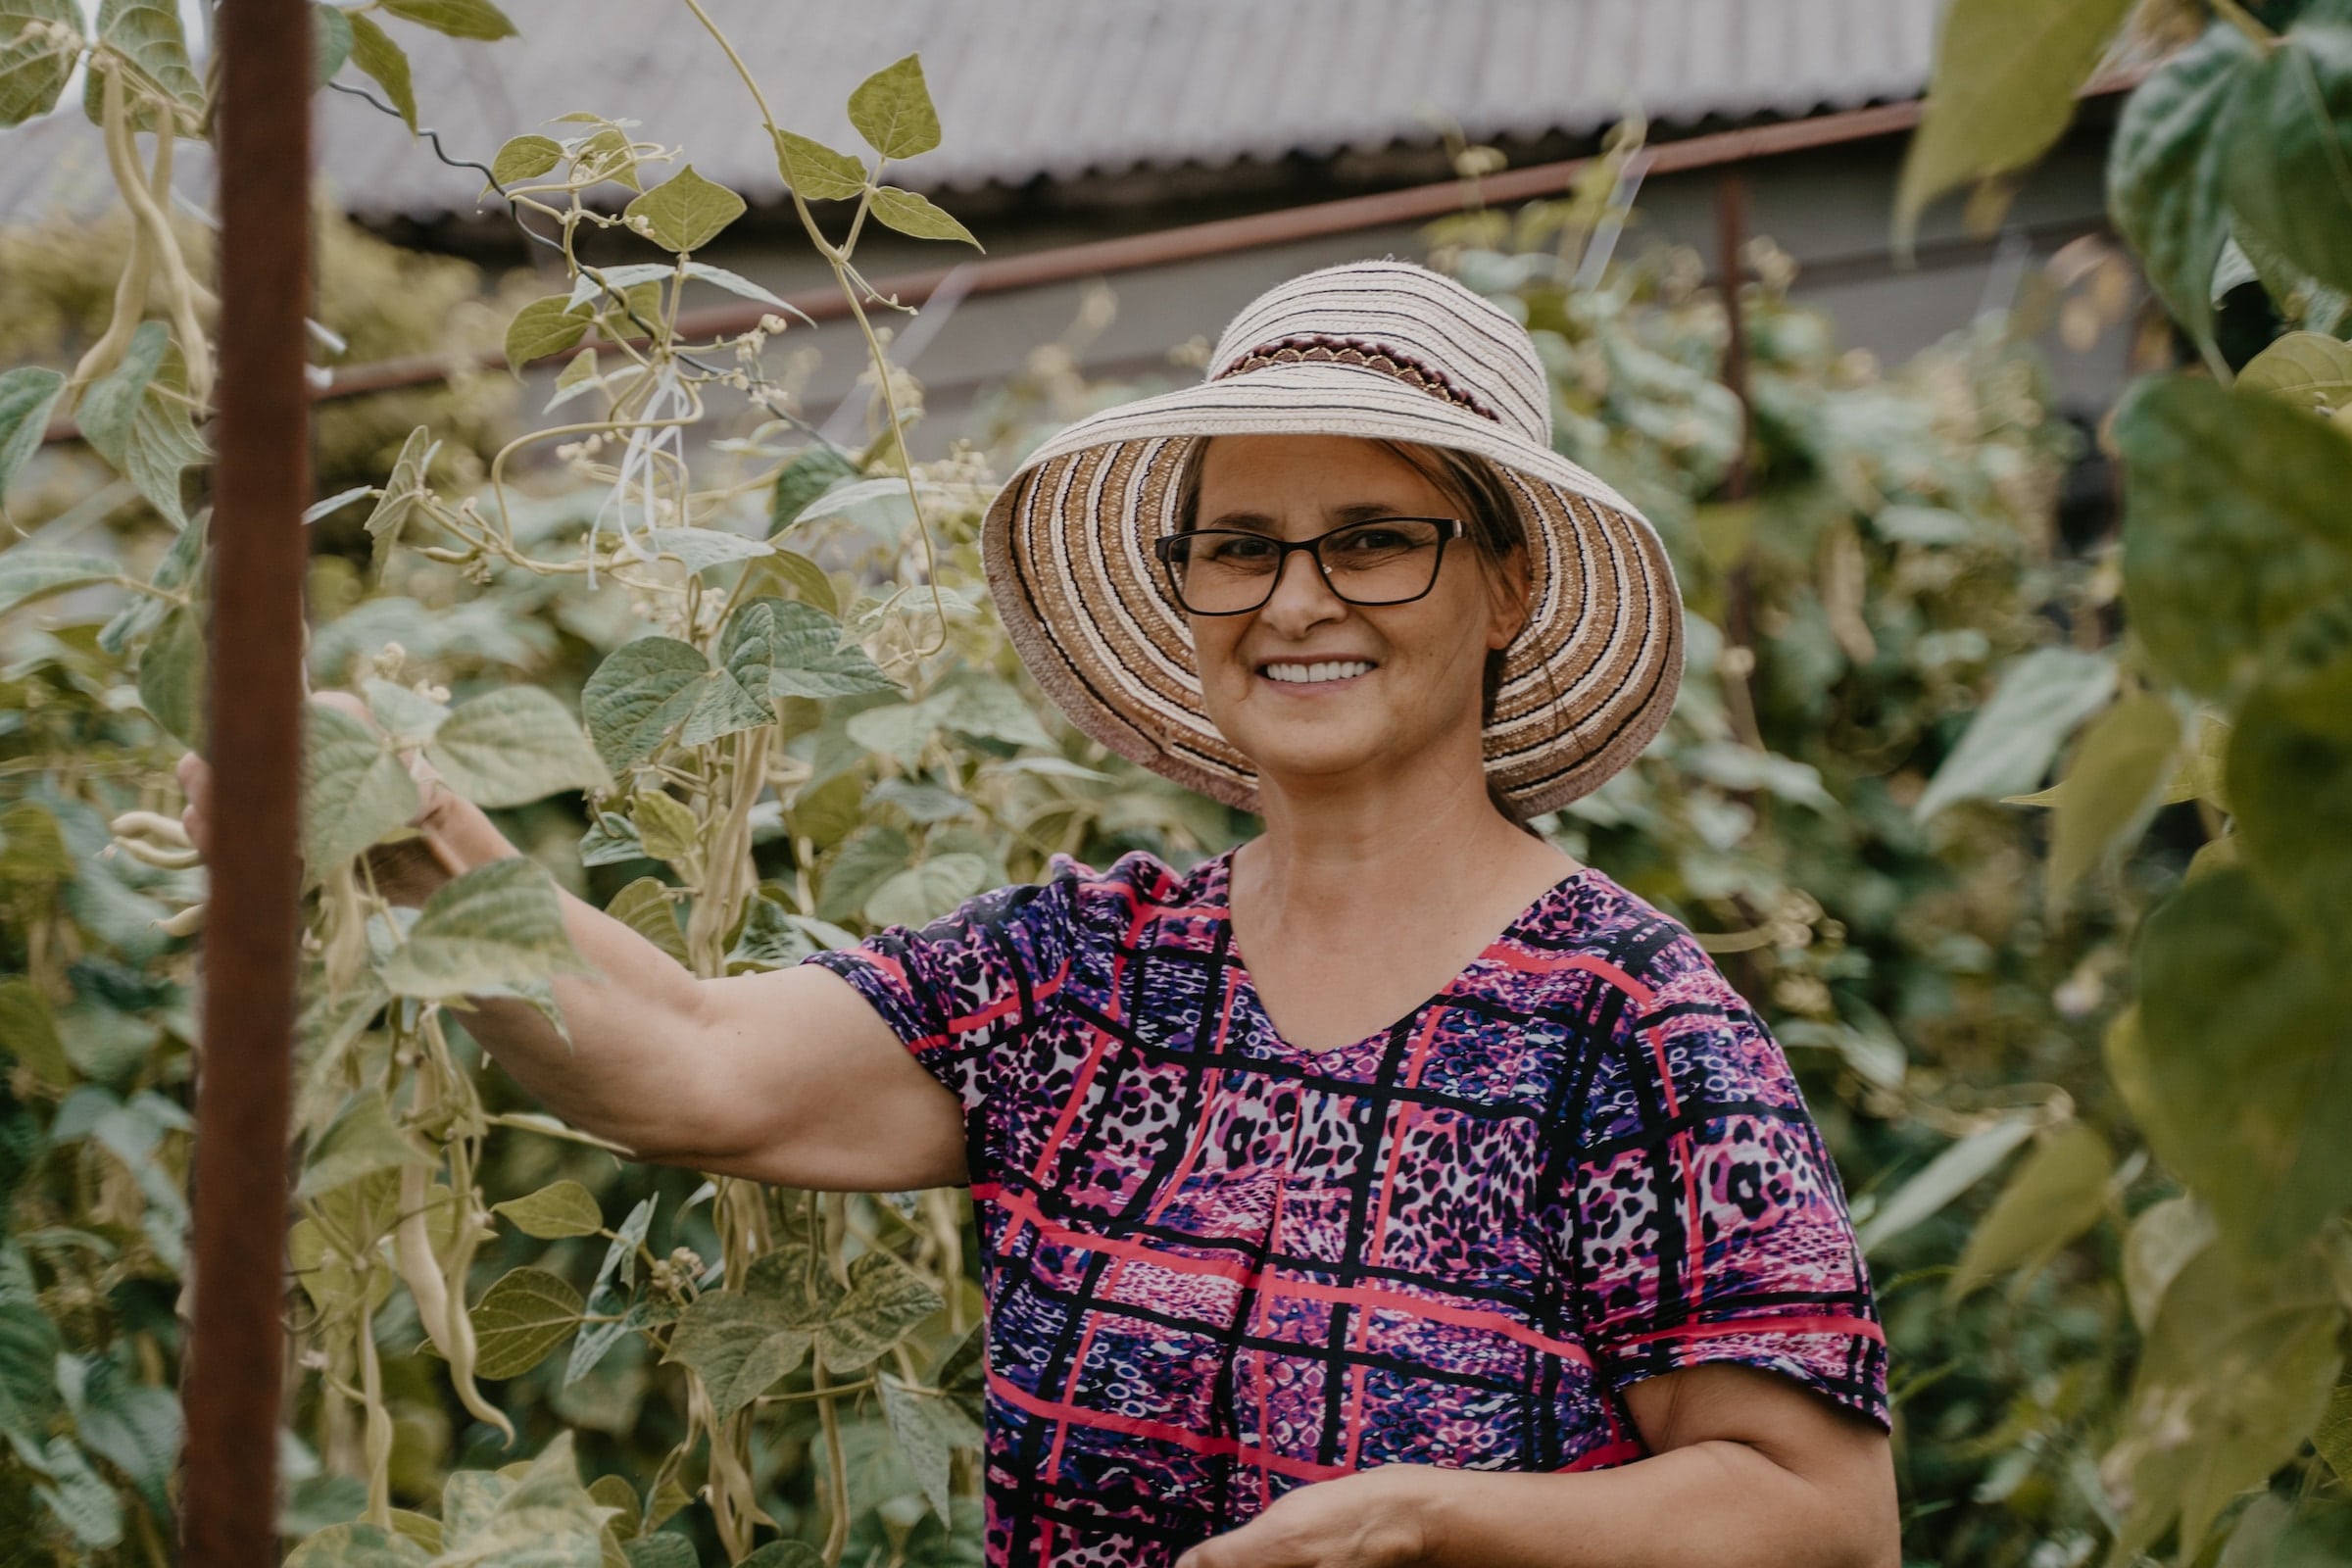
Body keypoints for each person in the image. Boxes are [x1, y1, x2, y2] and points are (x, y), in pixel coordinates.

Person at [181, 260, 1896, 1568]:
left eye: (1378, 539)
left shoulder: (1624, 1021)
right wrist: (403, 823)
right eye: (1239, 547)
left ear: (1508, 581)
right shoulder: (1092, 975)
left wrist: (1439, 1523)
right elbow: (692, 1060)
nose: (1298, 600)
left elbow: (1823, 1515)